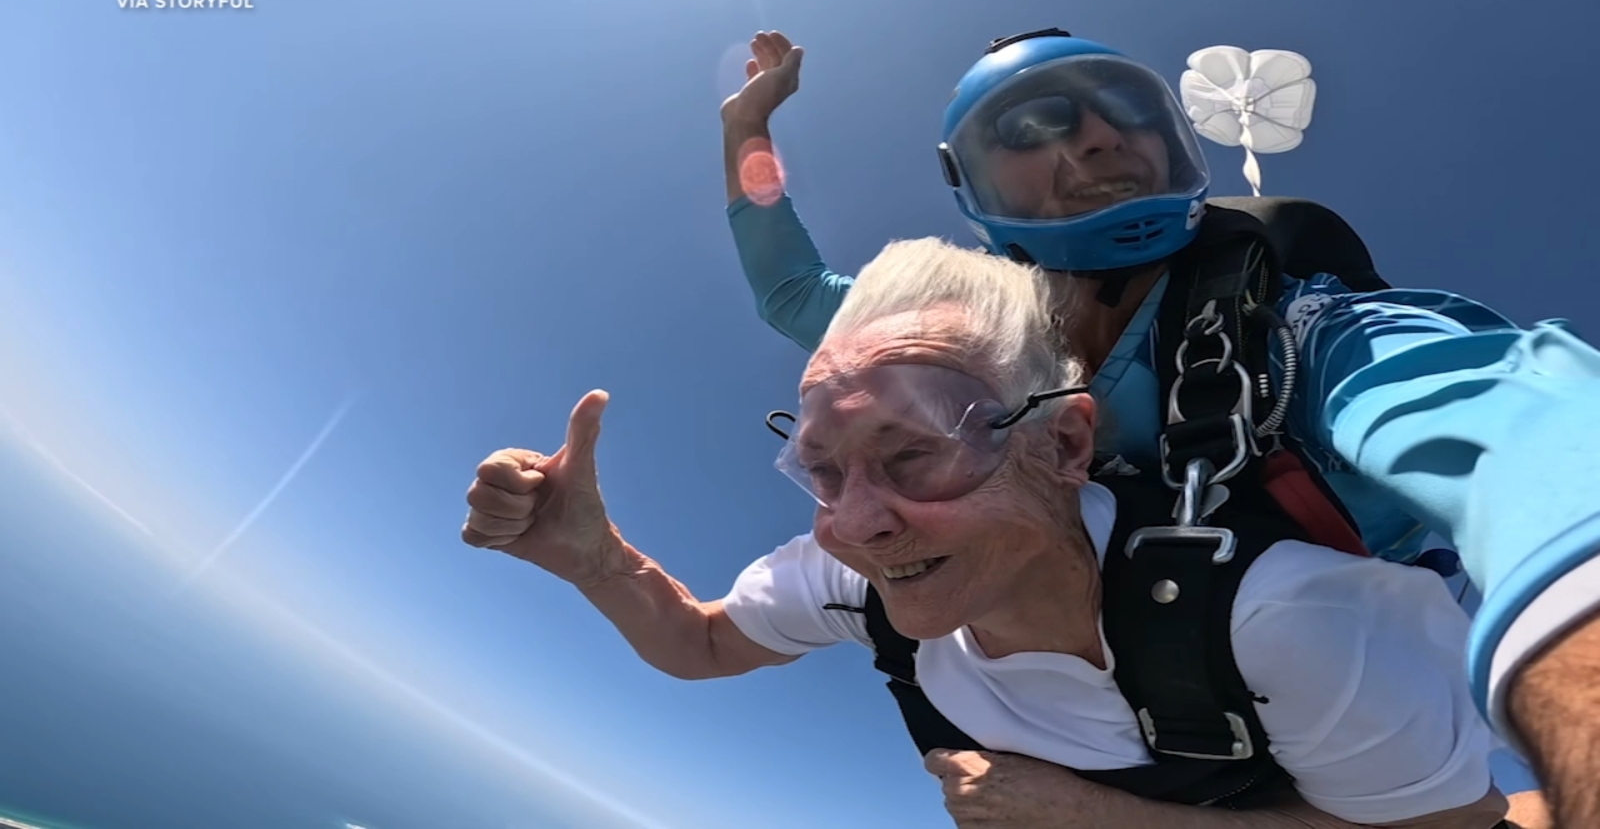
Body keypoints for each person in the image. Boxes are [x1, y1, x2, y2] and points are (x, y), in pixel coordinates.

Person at [718, 29, 1600, 826]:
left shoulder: (1293, 336)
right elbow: (792, 291)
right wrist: (745, 127)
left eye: (1133, 113)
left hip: (1360, 691)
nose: (1103, 137)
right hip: (1159, 686)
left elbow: (1514, 425)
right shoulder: (959, 349)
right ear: (970, 180)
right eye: (1032, 126)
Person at [461, 238, 1518, 828]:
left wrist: (1094, 820)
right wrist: (593, 562)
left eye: (915, 453)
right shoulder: (851, 583)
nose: (855, 522)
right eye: (820, 472)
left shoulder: (1292, 620)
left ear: (1063, 447)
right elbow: (697, 646)